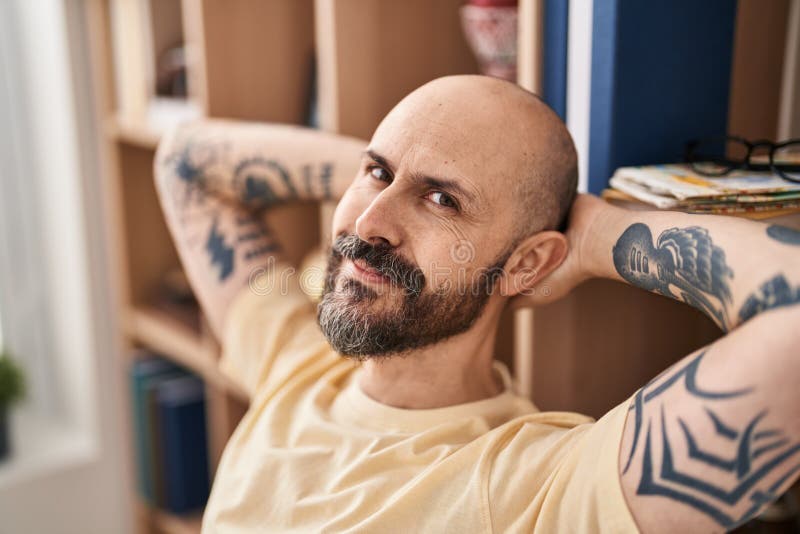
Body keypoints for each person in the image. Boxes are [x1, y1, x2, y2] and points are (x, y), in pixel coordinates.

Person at [155, 75, 800, 533]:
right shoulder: (294, 365)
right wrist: (391, 160)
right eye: (376, 175)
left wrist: (600, 236)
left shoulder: (538, 489)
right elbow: (185, 163)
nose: (370, 224)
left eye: (443, 200)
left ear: (528, 263)